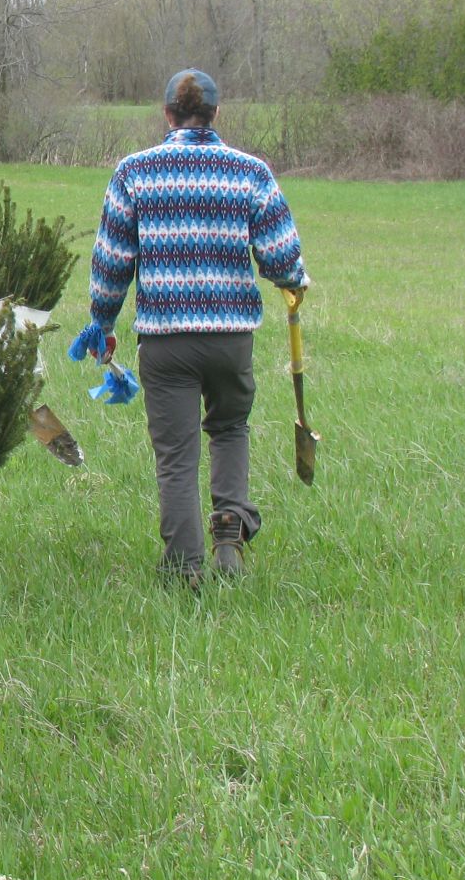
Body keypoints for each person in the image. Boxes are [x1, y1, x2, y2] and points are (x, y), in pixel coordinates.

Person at [82, 69, 309, 587]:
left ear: (166, 115)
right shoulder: (250, 172)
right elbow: (280, 258)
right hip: (232, 338)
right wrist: (295, 279)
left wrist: (102, 321)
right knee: (230, 428)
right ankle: (229, 532)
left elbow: (112, 261)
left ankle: (185, 565)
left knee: (177, 452)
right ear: (216, 115)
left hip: (165, 339)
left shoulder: (134, 172)